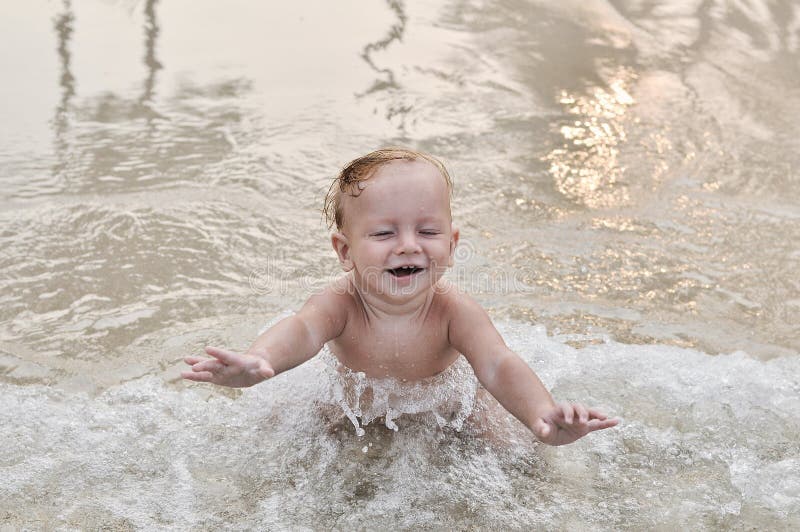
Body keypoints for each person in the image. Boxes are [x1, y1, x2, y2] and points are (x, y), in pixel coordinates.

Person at [182, 148, 619, 445]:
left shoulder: (454, 310)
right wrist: (262, 362)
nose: (409, 245)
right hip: (354, 406)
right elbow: (301, 328)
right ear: (345, 250)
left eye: (428, 231)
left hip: (448, 410)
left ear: (451, 243)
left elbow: (498, 363)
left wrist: (541, 417)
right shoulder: (340, 304)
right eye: (385, 232)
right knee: (298, 440)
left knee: (505, 451)